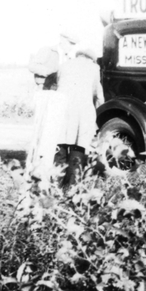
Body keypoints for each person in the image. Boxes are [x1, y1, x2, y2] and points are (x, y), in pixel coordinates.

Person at [26, 32, 80, 181]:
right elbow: (32, 65)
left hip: (59, 98)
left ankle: (48, 169)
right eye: (70, 42)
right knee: (41, 133)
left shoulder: (70, 57)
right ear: (62, 40)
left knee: (54, 134)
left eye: (74, 44)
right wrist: (50, 73)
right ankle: (35, 169)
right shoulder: (48, 51)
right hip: (45, 93)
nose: (72, 46)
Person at [55, 46, 104, 186]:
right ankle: (71, 186)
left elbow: (59, 84)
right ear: (91, 59)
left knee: (61, 146)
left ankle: (56, 184)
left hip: (62, 111)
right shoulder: (94, 69)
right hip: (83, 113)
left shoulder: (64, 65)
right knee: (79, 147)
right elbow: (97, 94)